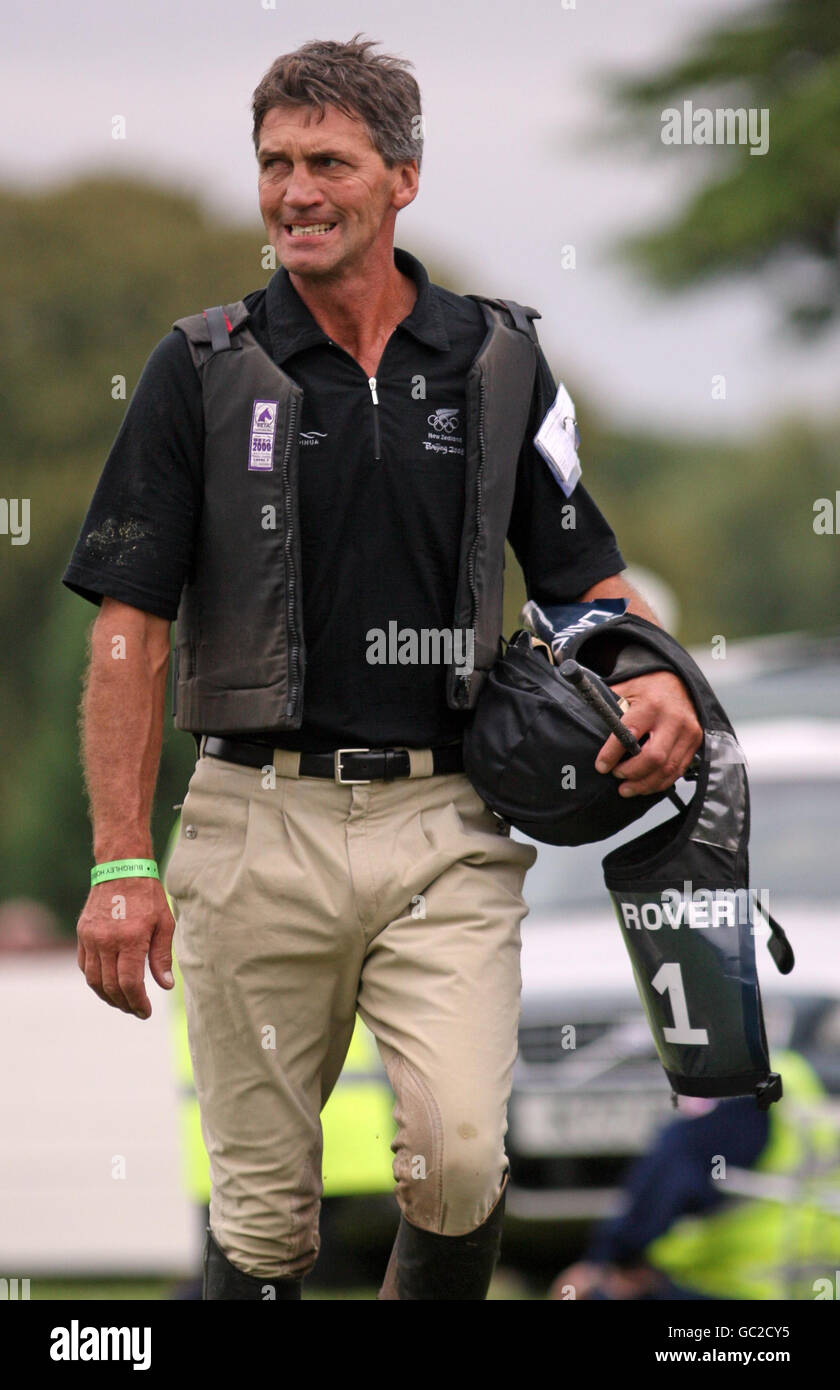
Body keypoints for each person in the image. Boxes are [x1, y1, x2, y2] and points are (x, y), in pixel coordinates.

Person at [64, 35, 702, 1300]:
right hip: (253, 824)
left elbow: (587, 582)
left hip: (449, 826)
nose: (295, 191)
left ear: (402, 178)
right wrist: (122, 859)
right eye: (274, 164)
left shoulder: (503, 357)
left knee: (461, 1160)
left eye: (328, 163)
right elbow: (127, 627)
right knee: (264, 1225)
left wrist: (661, 676)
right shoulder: (197, 366)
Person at [549, 1050, 840, 1301]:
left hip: (734, 1287)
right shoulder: (797, 1077)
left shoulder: (729, 1082)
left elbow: (669, 1176)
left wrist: (605, 1262)